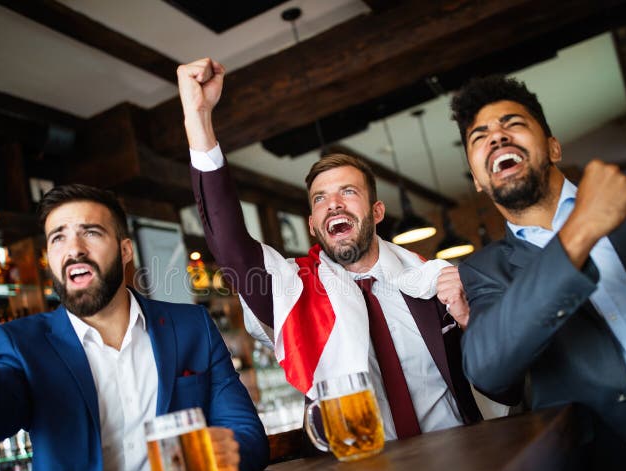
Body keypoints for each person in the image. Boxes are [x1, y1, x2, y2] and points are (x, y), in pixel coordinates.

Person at [0, 185, 268, 471]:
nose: (74, 248)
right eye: (58, 237)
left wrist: (228, 460)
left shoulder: (192, 327)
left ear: (125, 250)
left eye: (91, 232)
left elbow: (246, 432)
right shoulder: (19, 344)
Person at [177, 57, 483, 443]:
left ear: (377, 212)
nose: (334, 204)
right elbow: (232, 248)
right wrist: (199, 119)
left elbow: (492, 378)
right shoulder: (293, 292)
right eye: (320, 198)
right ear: (312, 224)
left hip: (459, 455)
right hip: (362, 470)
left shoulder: (432, 281)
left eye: (348, 192)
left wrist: (471, 321)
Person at [450, 74, 626, 471]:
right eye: (479, 137)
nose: (497, 136)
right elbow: (489, 370)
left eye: (513, 123)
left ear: (553, 148)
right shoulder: (485, 271)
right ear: (477, 179)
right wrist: (580, 231)